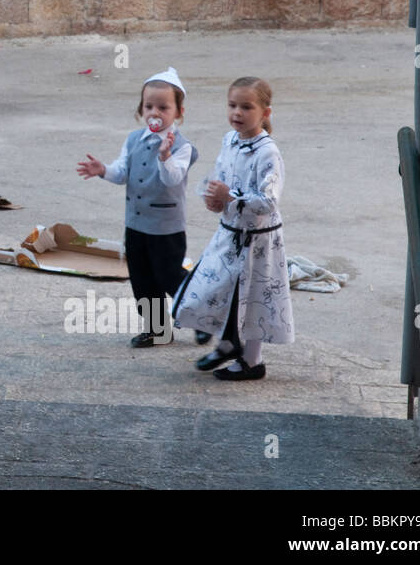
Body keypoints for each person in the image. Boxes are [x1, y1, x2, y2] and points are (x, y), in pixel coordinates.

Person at [174, 77, 293, 380]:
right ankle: (221, 338)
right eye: (232, 105)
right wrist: (212, 198)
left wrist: (231, 198)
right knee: (212, 286)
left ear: (265, 112)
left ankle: (250, 361)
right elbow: (219, 175)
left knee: (251, 298)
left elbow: (268, 201)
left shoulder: (268, 153)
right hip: (229, 233)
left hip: (257, 242)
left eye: (246, 107)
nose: (237, 112)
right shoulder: (230, 140)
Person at [77, 67, 201, 348]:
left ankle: (203, 318)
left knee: (170, 276)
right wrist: (103, 170)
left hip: (166, 226)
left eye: (163, 107)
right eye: (148, 106)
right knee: (143, 279)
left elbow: (173, 177)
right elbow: (122, 172)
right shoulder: (133, 139)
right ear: (141, 109)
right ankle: (158, 330)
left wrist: (164, 156)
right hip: (135, 224)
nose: (154, 112)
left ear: (179, 112)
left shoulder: (182, 147)